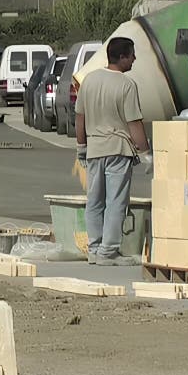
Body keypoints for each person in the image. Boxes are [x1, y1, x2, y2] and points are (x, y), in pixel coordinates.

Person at [75, 37, 150, 267]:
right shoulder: (126, 85)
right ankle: (109, 251)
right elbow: (134, 123)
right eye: (132, 55)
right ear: (122, 57)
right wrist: (146, 151)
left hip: (94, 149)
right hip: (118, 148)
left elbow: (80, 116)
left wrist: (81, 146)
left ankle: (95, 249)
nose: (134, 59)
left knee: (95, 201)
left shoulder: (89, 80)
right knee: (116, 201)